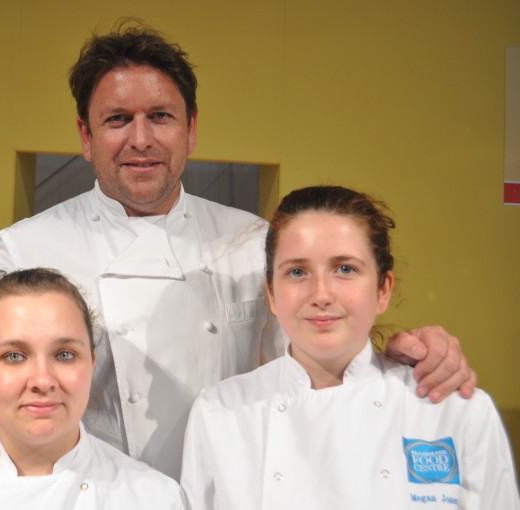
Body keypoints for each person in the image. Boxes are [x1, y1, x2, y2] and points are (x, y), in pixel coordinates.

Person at [0, 22, 476, 495]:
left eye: (161, 117)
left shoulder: (251, 242)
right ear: (85, 135)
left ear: (192, 129)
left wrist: (406, 354)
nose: (142, 140)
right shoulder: (27, 247)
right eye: (117, 120)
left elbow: (323, 361)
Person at [180, 185, 519, 509]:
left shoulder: (455, 411)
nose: (321, 295)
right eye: (297, 272)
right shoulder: (220, 414)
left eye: (345, 269)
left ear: (383, 289)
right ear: (271, 293)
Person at [0, 268, 185, 509]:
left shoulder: (155, 498)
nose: (42, 380)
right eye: (14, 356)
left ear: (91, 366)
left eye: (64, 354)